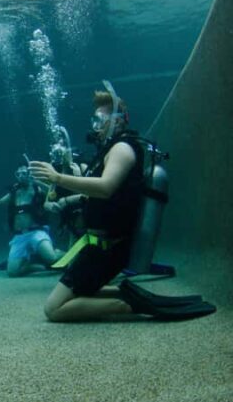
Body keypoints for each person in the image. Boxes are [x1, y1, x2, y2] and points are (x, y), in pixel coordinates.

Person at [29, 89, 212, 321]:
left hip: (107, 250)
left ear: (117, 121)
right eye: (93, 120)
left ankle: (131, 304)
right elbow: (93, 192)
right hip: (97, 247)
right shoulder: (109, 150)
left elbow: (106, 187)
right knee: (77, 291)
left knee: (53, 309)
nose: (95, 126)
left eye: (100, 120)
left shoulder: (122, 148)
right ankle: (129, 292)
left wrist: (58, 178)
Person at [0, 166, 61, 277]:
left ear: (29, 174)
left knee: (52, 258)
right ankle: (31, 265)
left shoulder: (36, 188)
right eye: (19, 174)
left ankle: (61, 254)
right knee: (12, 272)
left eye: (24, 173)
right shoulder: (14, 191)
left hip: (36, 231)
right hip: (20, 235)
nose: (21, 176)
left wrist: (37, 181)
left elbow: (52, 192)